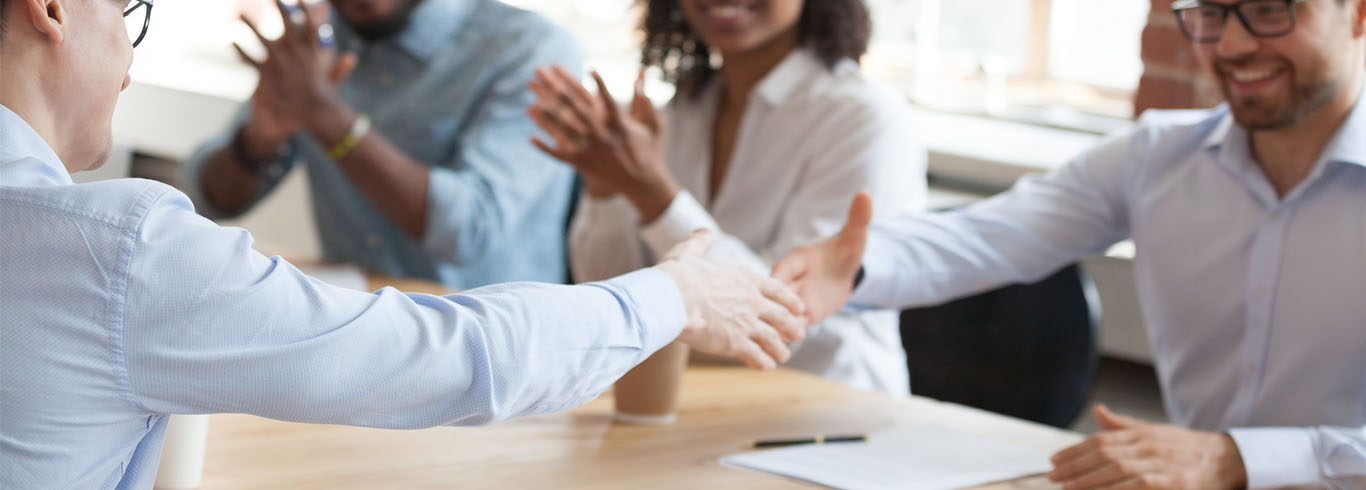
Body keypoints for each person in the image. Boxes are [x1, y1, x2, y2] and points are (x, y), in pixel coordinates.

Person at [0, 1, 809, 488]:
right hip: (433, 384)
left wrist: (329, 122)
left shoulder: (521, 49)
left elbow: (471, 230)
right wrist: (679, 293)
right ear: (55, 9)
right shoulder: (118, 248)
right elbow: (459, 359)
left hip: (511, 422)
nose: (132, 58)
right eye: (128, 12)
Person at [774, 0, 1366, 487]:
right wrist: (854, 269)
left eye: (1269, 12)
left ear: (1358, 15)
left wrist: (1238, 459)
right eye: (1210, 14)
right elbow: (994, 233)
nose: (1231, 46)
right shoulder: (1159, 158)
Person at [526, 0, 925, 395]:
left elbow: (785, 321)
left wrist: (653, 194)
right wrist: (606, 187)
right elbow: (617, 305)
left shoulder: (864, 117)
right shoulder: (687, 108)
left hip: (829, 416)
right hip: (698, 405)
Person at [181, 0, 576, 289]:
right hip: (360, 335)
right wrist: (258, 139)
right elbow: (211, 200)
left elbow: (471, 228)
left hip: (497, 351)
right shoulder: (317, 42)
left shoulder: (531, 50)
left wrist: (328, 117)